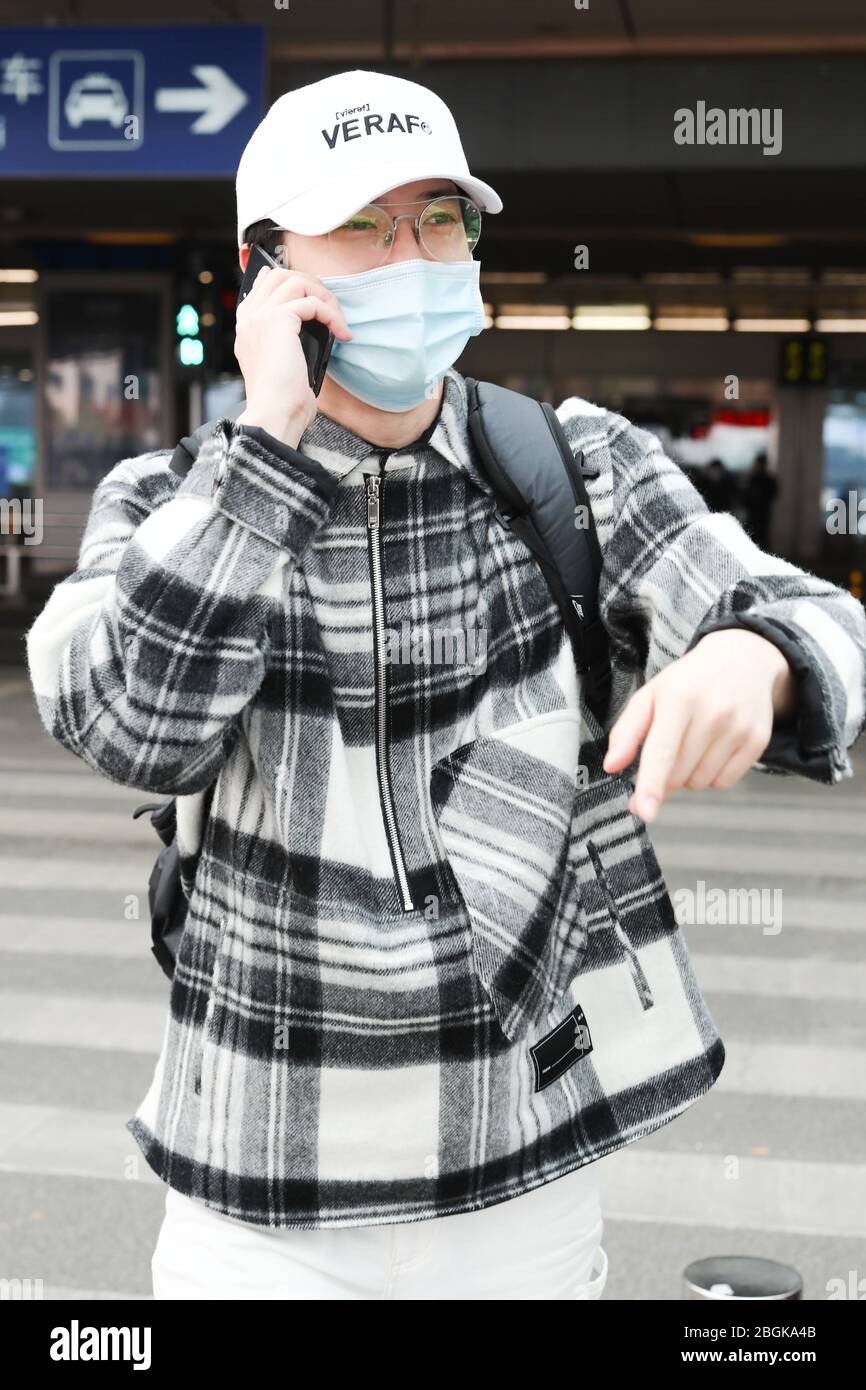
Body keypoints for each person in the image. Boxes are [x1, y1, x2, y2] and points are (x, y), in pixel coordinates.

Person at [25, 69, 866, 1301]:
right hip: (259, 1198)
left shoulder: (568, 462)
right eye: (364, 224)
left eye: (440, 218)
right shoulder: (171, 501)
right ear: (267, 270)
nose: (412, 254)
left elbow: (816, 616)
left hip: (520, 1173)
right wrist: (266, 452)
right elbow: (132, 724)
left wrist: (757, 656)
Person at [742, 451, 779, 548]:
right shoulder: (752, 478)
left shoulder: (767, 480)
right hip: (753, 514)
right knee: (753, 537)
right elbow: (744, 496)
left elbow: (773, 494)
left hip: (762, 514)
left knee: (762, 537)